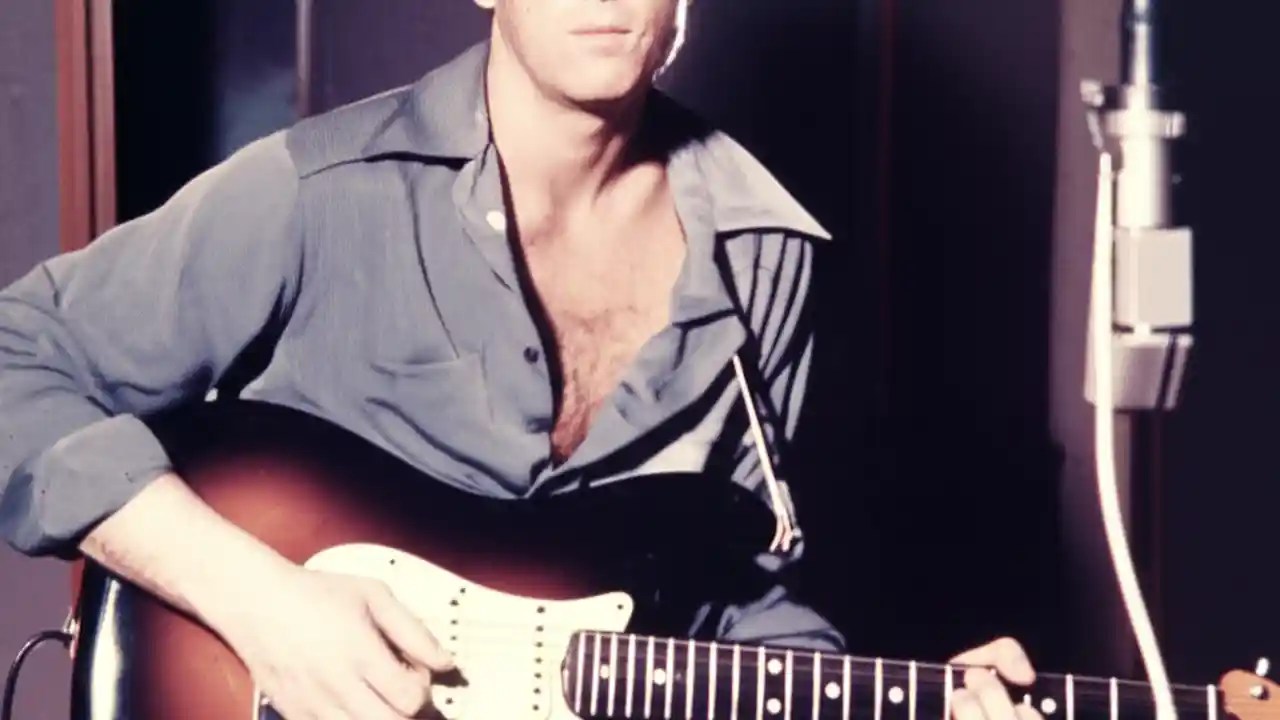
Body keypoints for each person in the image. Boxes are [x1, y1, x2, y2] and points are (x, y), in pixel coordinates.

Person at [0, 1, 1044, 718]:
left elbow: (728, 592)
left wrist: (889, 699)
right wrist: (260, 603)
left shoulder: (766, 254)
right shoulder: (317, 197)